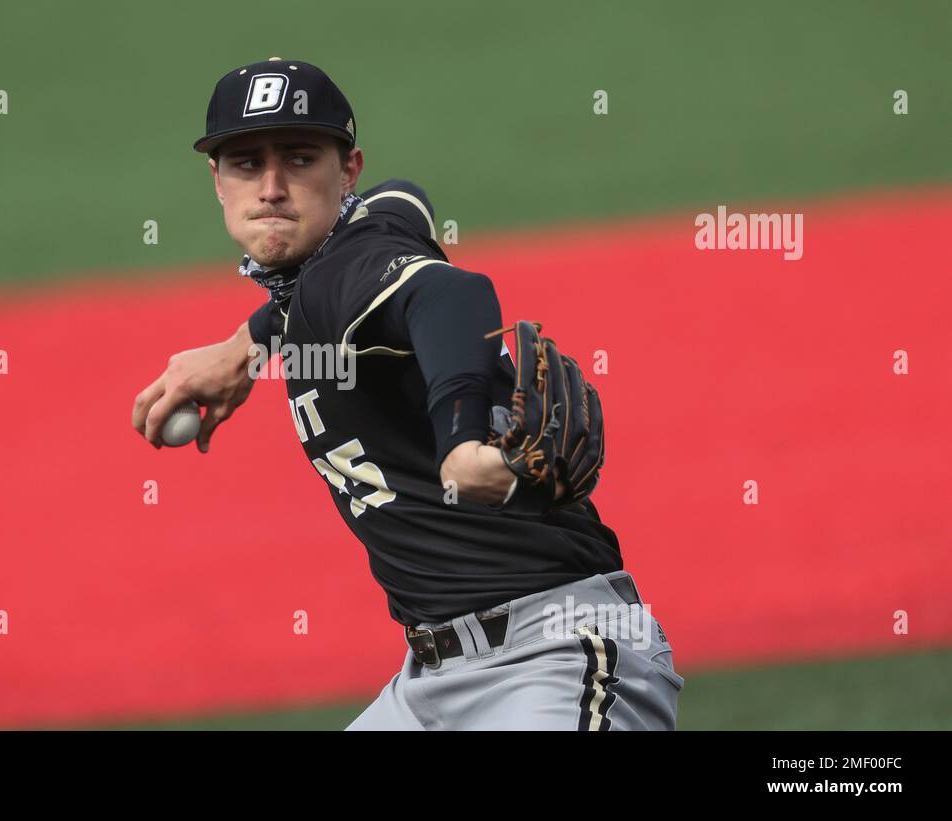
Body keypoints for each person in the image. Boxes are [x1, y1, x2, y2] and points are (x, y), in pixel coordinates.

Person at [132, 58, 683, 730]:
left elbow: (452, 293)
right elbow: (405, 198)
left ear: (347, 170)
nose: (272, 188)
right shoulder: (363, 237)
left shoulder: (342, 275)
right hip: (429, 685)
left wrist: (461, 446)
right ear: (216, 181)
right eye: (247, 164)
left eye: (300, 159)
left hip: (554, 658)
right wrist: (245, 349)